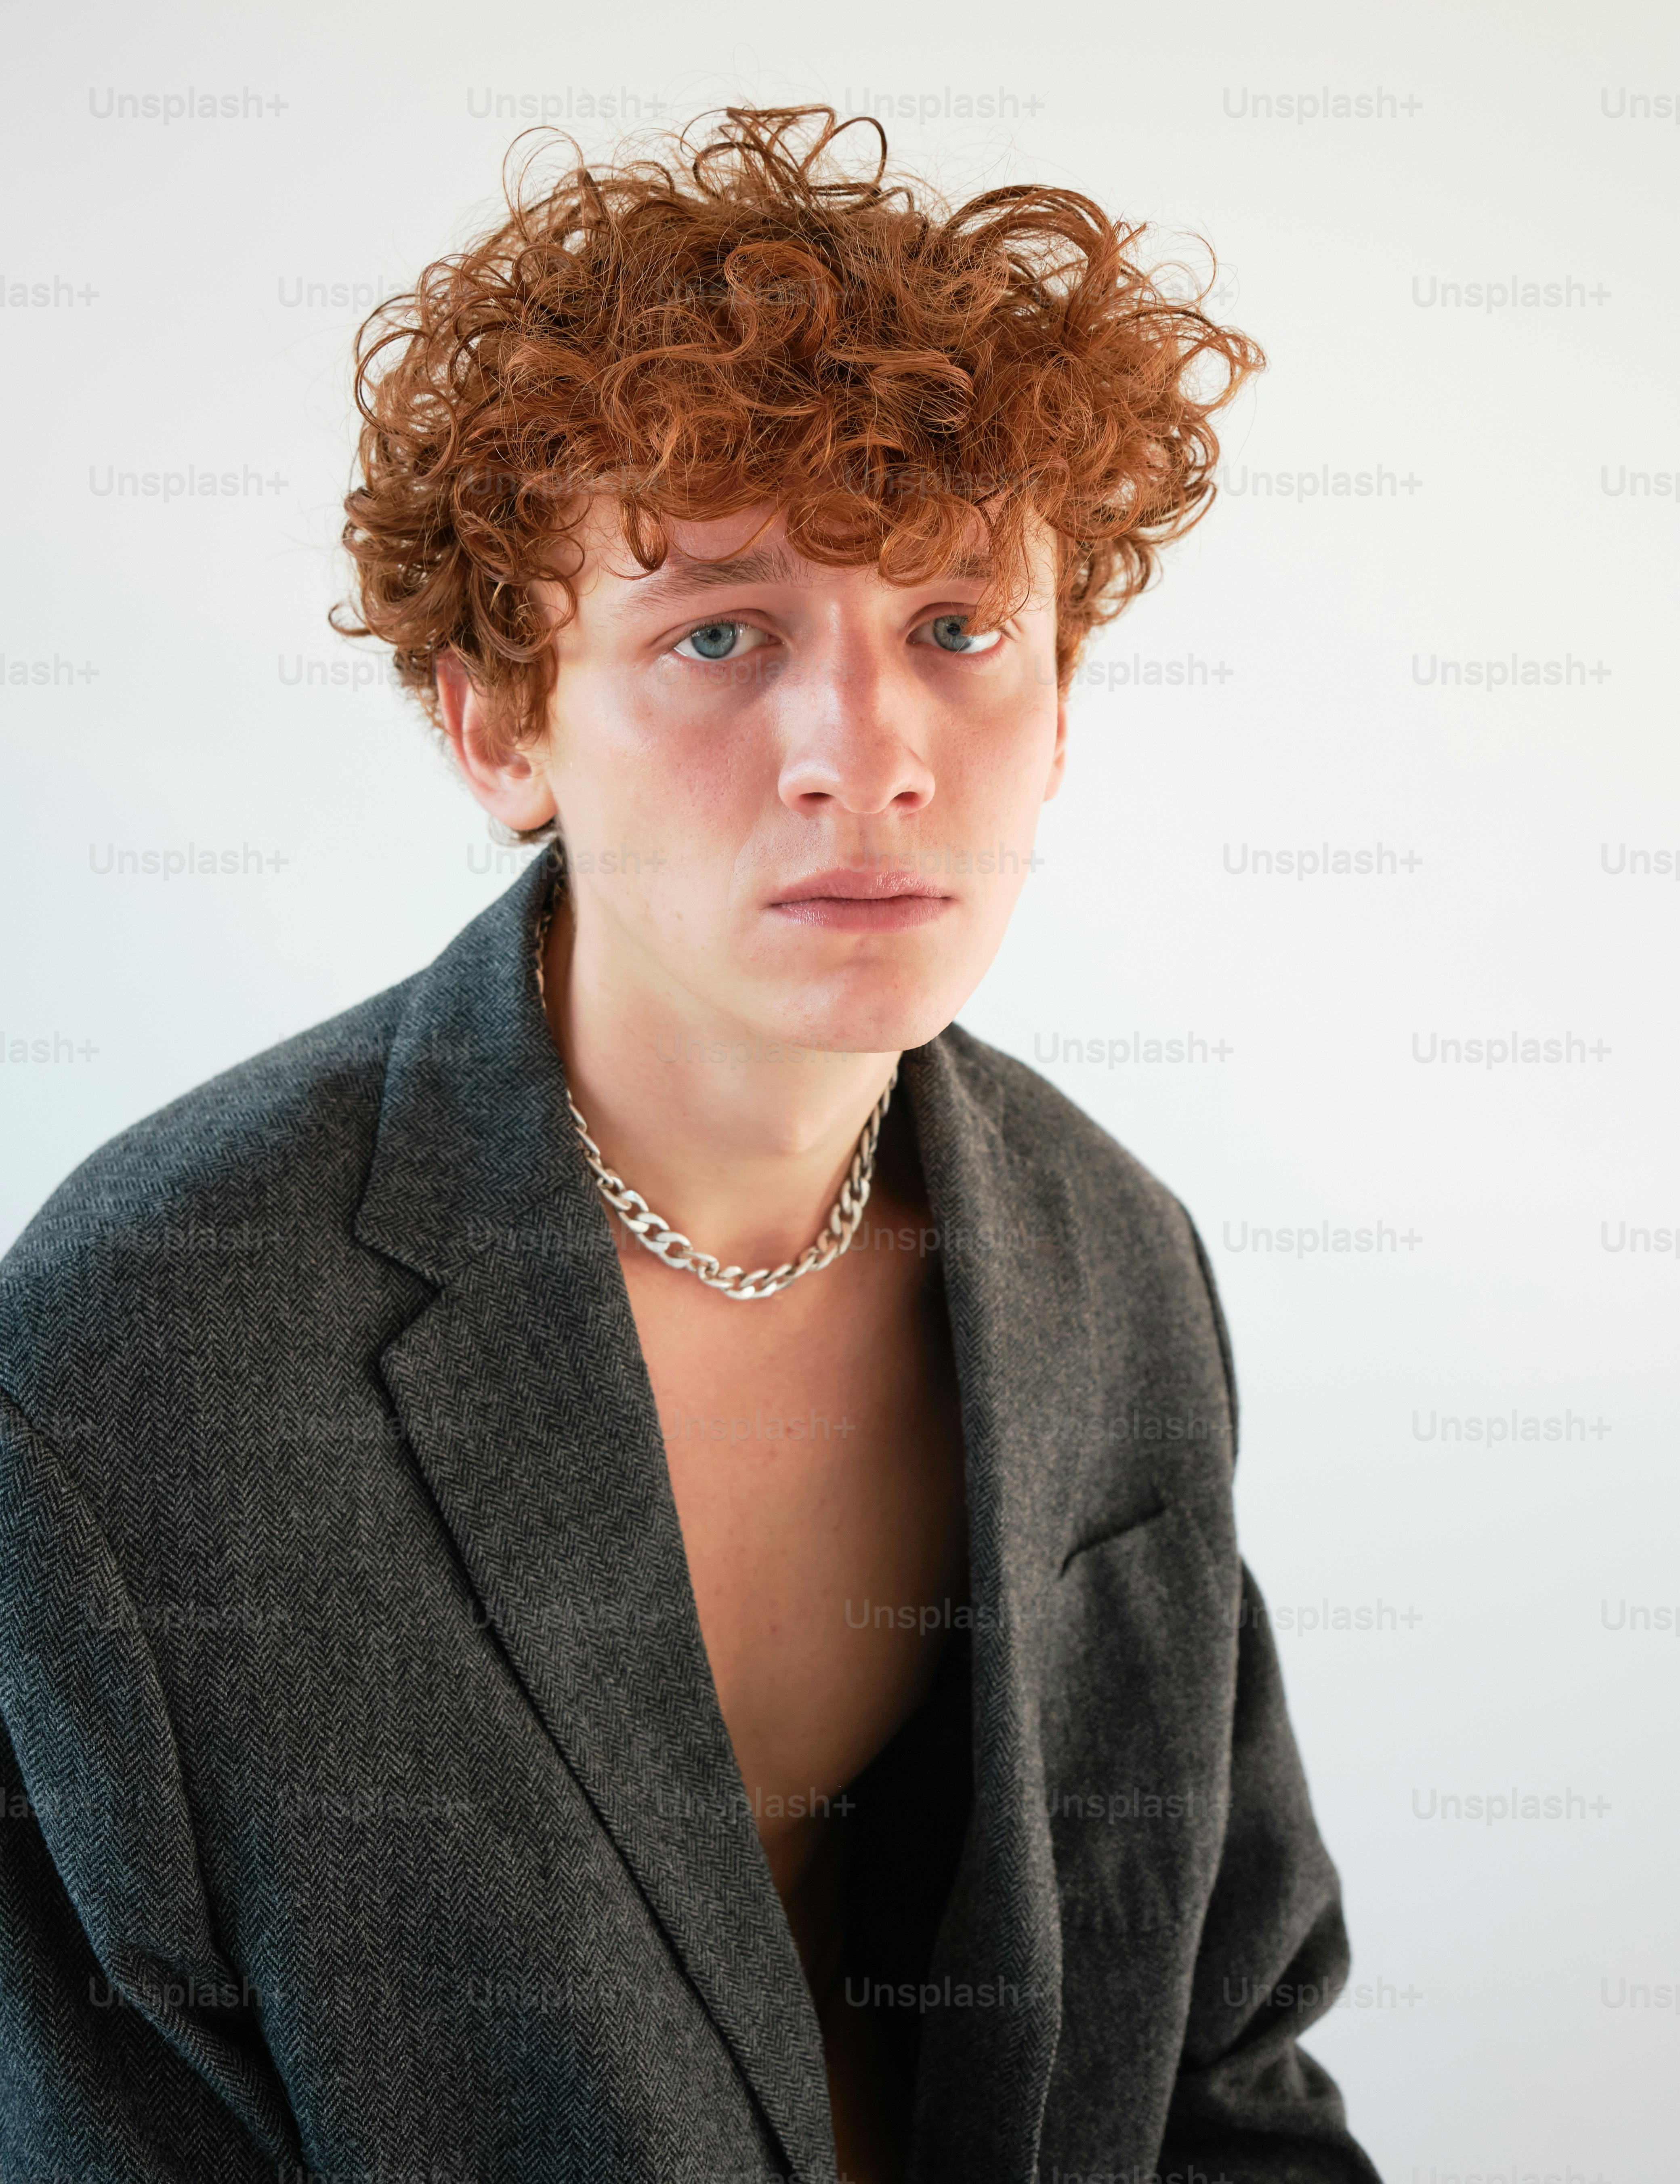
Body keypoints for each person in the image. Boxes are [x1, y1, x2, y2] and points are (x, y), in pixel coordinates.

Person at [0, 108, 1380, 2183]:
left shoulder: (1111, 1256)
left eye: (955, 628)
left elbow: (1220, 2068)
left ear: (1066, 700)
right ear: (495, 723)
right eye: (719, 634)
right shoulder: (133, 1355)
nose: (864, 759)